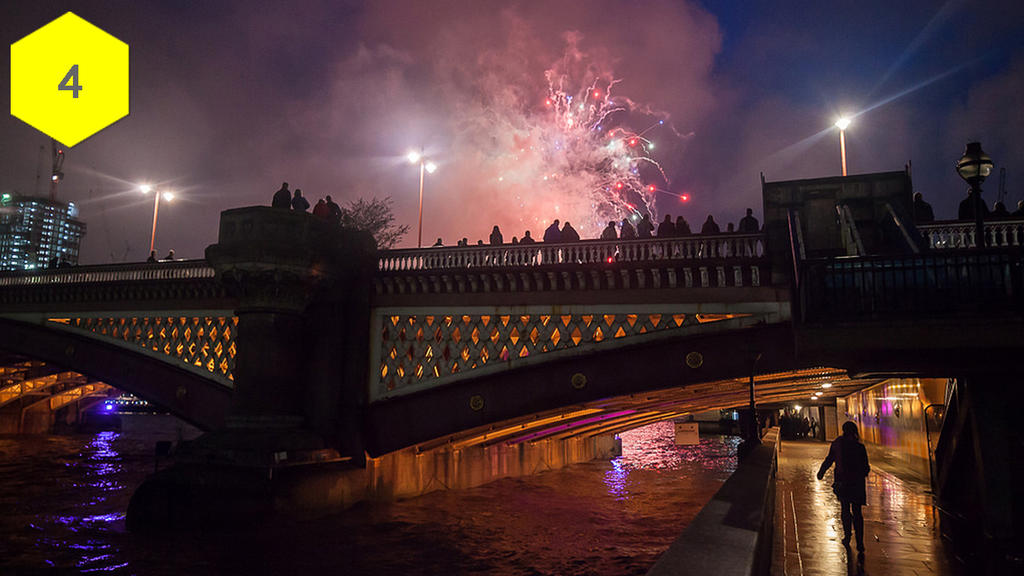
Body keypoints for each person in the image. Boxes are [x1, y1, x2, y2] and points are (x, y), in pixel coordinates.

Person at [817, 421, 871, 552]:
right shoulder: (860, 447)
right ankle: (860, 542)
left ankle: (847, 536)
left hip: (843, 482)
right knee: (857, 512)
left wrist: (821, 472)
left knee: (845, 510)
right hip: (857, 484)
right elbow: (866, 468)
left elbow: (829, 459)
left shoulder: (838, 444)